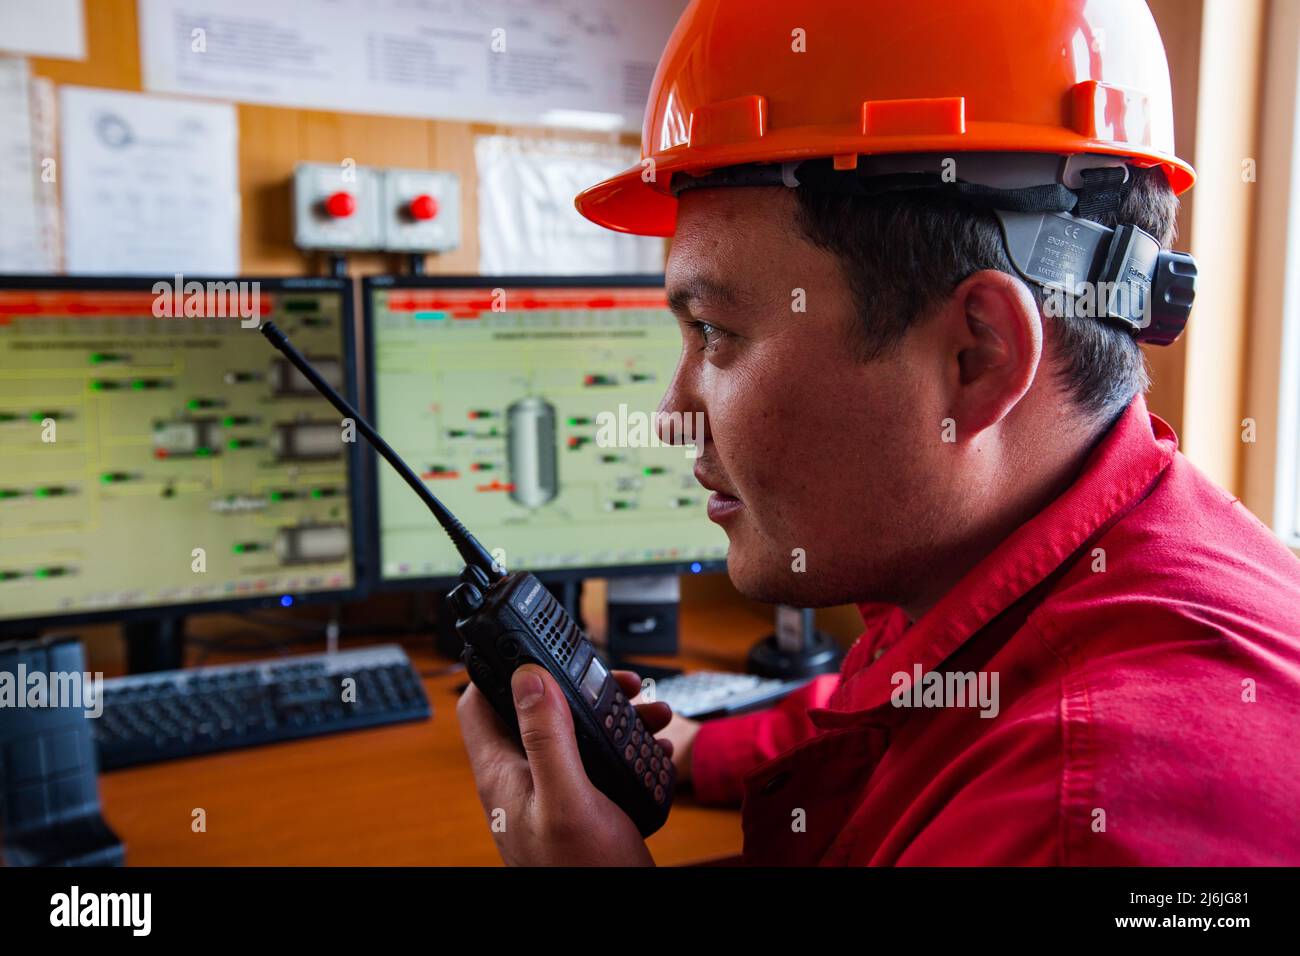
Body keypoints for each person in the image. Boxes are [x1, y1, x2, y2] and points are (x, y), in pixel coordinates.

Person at [457, 0, 1300, 865]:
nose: (672, 417)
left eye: (715, 333)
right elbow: (908, 703)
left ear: (978, 356)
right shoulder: (1039, 545)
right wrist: (692, 750)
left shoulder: (1084, 821)